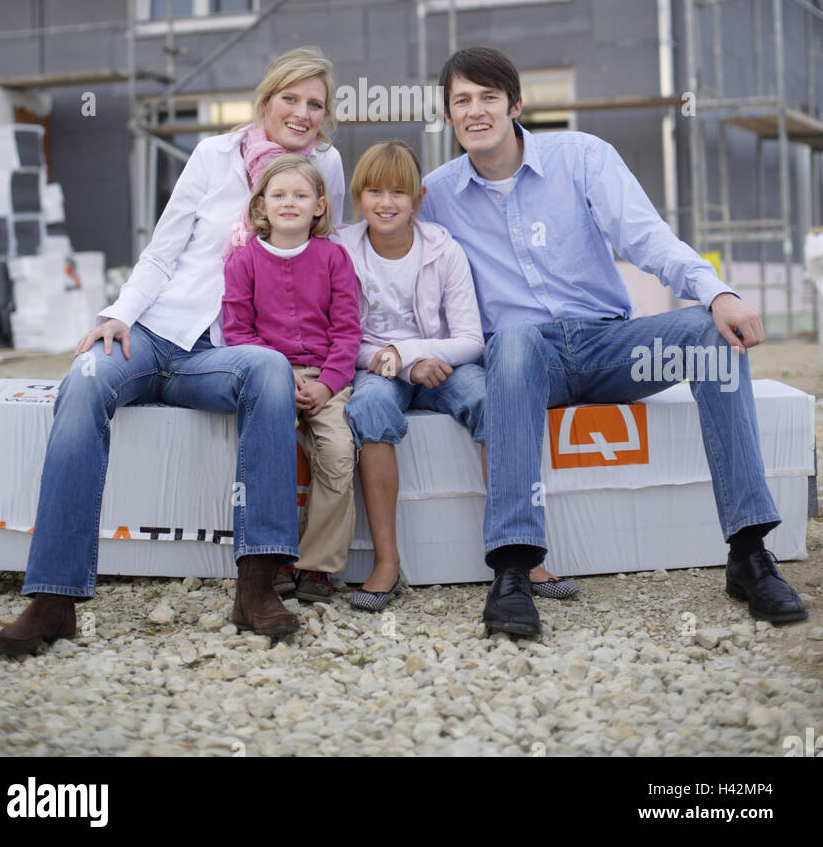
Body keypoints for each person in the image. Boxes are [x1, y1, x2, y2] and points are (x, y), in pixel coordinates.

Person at [419, 46, 807, 639]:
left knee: (709, 332)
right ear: (448, 117)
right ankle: (514, 569)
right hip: (526, 359)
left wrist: (717, 292)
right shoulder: (435, 194)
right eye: (461, 101)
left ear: (515, 105)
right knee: (517, 339)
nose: (475, 111)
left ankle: (750, 552)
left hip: (609, 346)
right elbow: (380, 247)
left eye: (488, 98)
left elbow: (647, 239)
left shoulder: (582, 157)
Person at [0, 47, 344, 653]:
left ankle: (258, 585)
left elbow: (317, 260)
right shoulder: (213, 155)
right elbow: (162, 249)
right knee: (83, 378)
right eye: (291, 98)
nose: (302, 113)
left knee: (267, 370)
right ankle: (53, 598)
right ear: (265, 102)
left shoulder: (325, 167)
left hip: (226, 348)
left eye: (316, 104)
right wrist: (117, 316)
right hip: (157, 331)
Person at [335, 140, 486, 612]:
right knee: (369, 405)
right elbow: (339, 337)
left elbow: (471, 339)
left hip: (439, 362)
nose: (386, 203)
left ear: (417, 197)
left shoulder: (444, 250)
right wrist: (397, 361)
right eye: (374, 191)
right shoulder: (340, 250)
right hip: (377, 366)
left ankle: (519, 552)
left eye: (398, 193)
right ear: (359, 196)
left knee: (488, 398)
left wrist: (413, 353)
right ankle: (386, 561)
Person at [221, 155, 361, 602]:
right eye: (279, 195)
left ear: (319, 206)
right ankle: (276, 555)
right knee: (273, 453)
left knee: (338, 451)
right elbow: (237, 331)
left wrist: (327, 383)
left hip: (326, 376)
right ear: (261, 205)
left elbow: (347, 329)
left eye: (300, 195)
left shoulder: (334, 257)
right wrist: (280, 375)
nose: (289, 203)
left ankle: (317, 566)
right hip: (268, 376)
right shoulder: (242, 261)